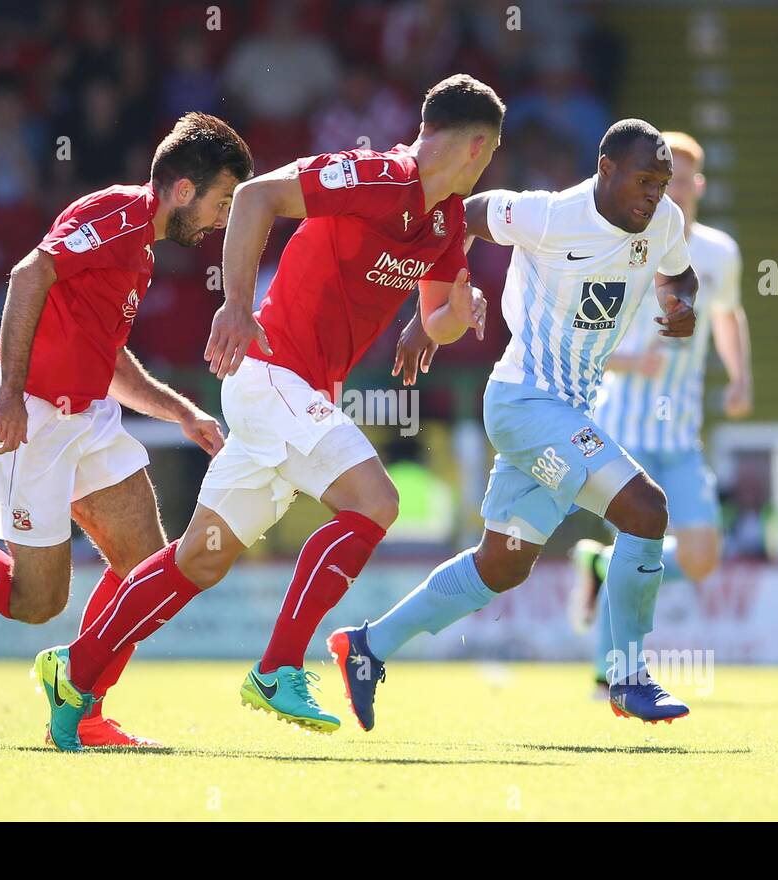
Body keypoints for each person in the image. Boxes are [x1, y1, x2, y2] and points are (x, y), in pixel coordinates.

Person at [35, 74, 504, 750]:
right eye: (489, 157)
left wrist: (452, 319)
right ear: (476, 147)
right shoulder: (376, 175)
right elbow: (257, 196)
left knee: (198, 560)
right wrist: (233, 302)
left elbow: (437, 316)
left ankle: (73, 671)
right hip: (272, 374)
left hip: (297, 401)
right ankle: (281, 664)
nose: (487, 168)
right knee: (375, 502)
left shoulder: (447, 220)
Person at [0, 114, 252, 749]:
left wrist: (181, 412)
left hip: (88, 416)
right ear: (183, 190)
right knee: (36, 602)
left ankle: (82, 704)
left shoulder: (141, 251)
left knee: (144, 569)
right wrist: (9, 394)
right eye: (222, 201)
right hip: (31, 416)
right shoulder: (118, 217)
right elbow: (29, 275)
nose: (223, 219)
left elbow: (109, 360)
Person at [330, 119, 699, 731]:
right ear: (604, 169)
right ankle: (628, 675)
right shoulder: (548, 216)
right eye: (643, 180)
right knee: (646, 510)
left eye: (661, 184)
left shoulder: (662, 221)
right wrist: (438, 304)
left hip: (568, 412)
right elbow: (460, 214)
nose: (654, 195)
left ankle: (368, 646)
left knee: (502, 564)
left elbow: (678, 272)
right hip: (524, 402)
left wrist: (678, 303)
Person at [571, 131, 752, 696]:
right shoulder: (629, 244)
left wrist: (741, 376)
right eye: (669, 177)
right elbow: (585, 331)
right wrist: (629, 361)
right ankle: (613, 670)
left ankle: (598, 571)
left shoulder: (719, 251)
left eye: (691, 177)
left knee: (700, 556)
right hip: (623, 426)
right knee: (636, 544)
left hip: (680, 433)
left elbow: (727, 314)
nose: (682, 187)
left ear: (699, 184)